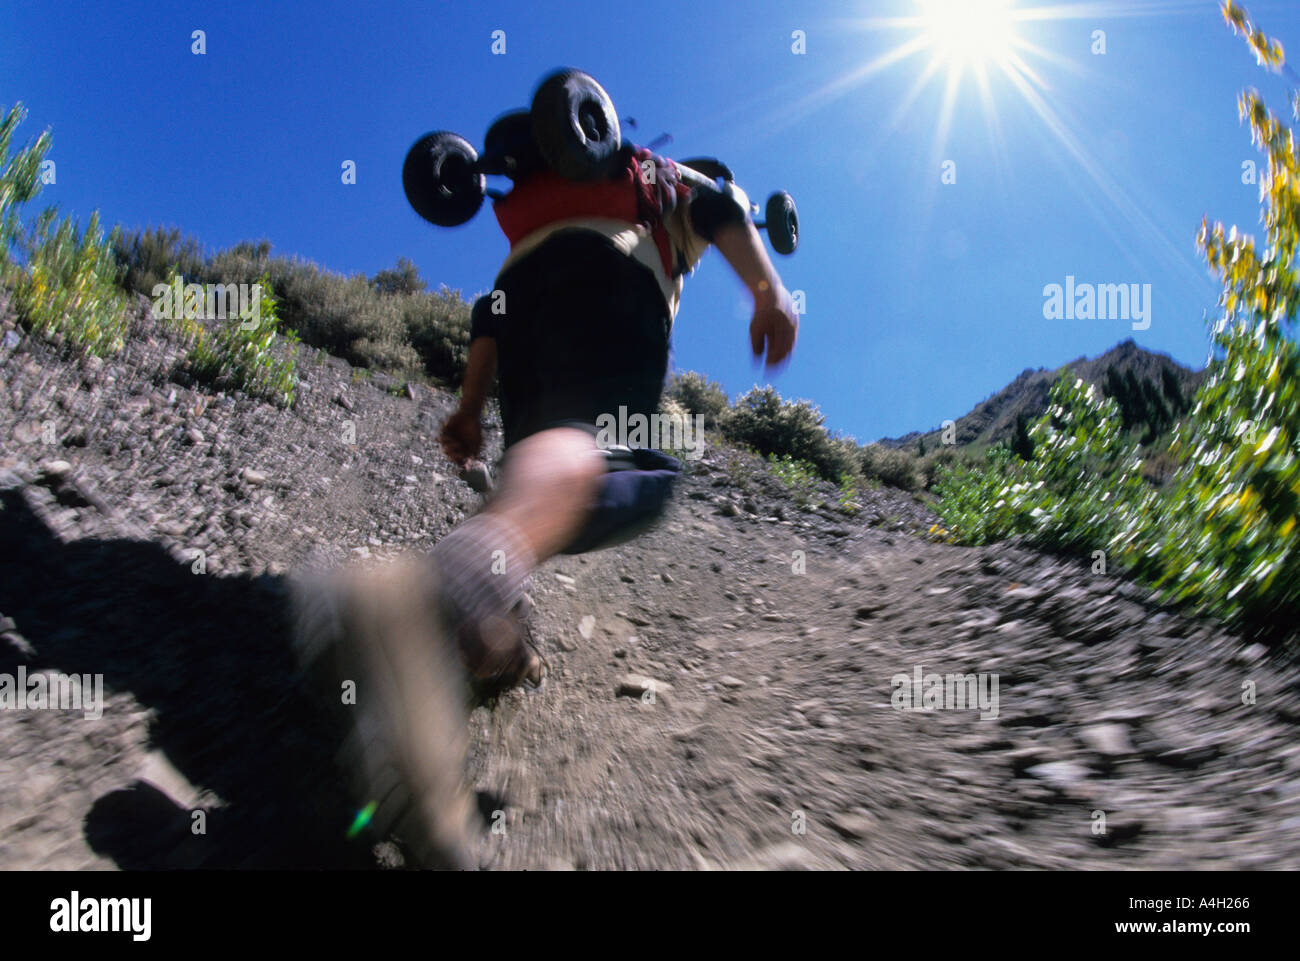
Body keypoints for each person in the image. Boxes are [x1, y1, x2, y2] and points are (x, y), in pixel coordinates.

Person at [292, 135, 798, 869]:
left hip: (520, 306)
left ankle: (461, 654)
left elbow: (487, 312)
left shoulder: (535, 211)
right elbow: (721, 207)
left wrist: (469, 408)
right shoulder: (669, 187)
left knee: (536, 482)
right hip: (610, 280)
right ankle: (443, 591)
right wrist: (766, 288)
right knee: (630, 465)